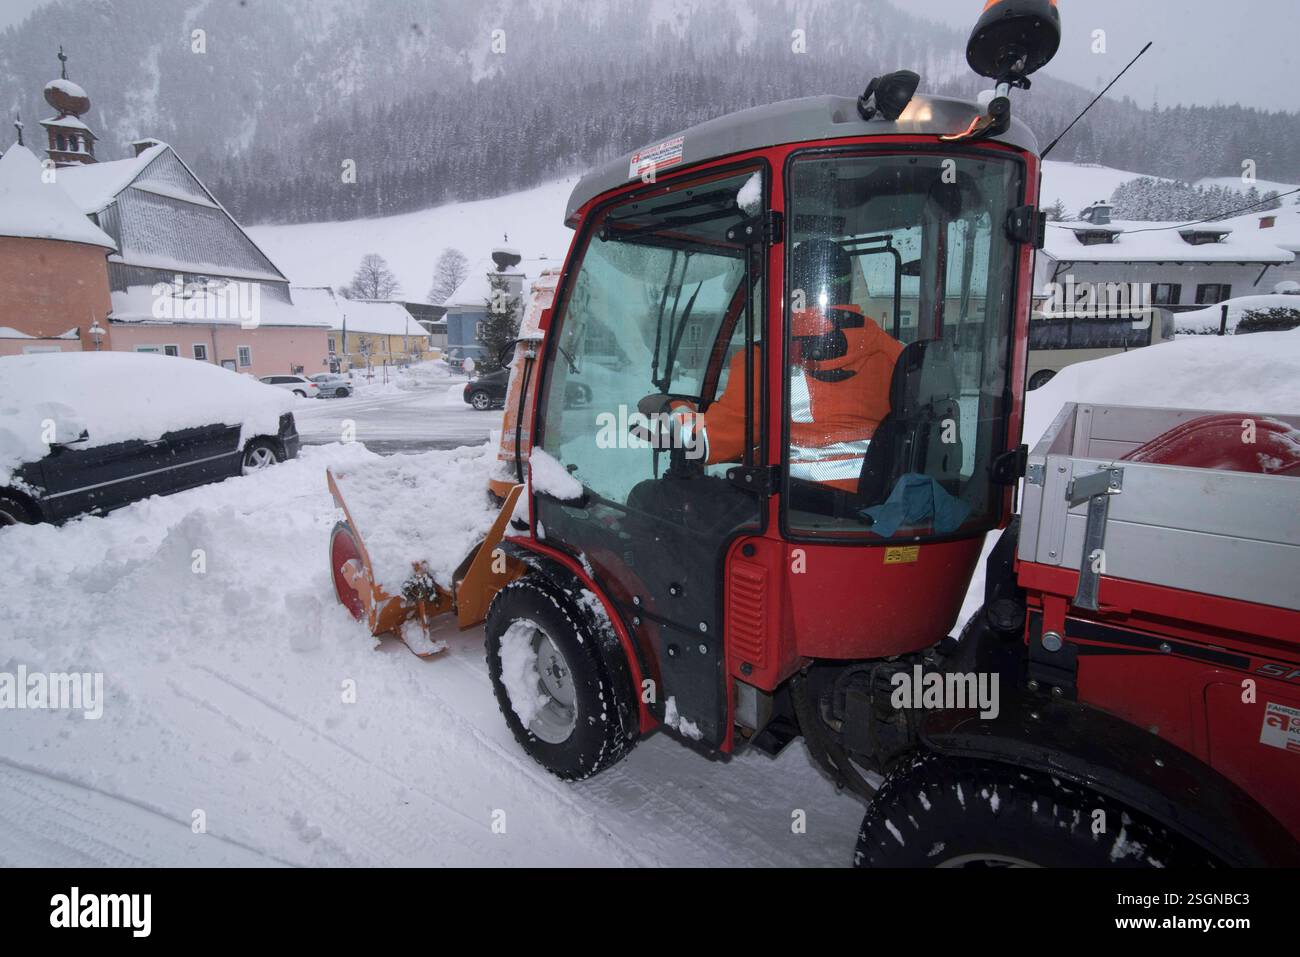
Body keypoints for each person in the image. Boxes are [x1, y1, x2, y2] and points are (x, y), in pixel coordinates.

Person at [673, 239, 902, 493]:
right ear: (846, 287)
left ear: (792, 290)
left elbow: (705, 443)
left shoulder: (767, 358)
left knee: (655, 497)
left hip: (796, 504)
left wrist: (670, 409)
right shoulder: (892, 350)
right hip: (873, 502)